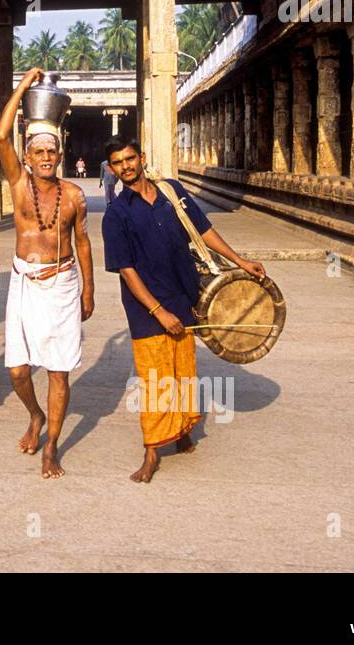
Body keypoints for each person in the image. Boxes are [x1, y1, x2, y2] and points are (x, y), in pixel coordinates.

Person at [100, 137, 265, 483]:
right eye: (118, 162)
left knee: (183, 370)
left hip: (183, 294)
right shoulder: (116, 214)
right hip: (146, 307)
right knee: (156, 378)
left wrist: (240, 261)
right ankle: (151, 451)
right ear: (111, 169)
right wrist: (159, 311)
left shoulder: (171, 192)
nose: (126, 166)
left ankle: (184, 428)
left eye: (130, 158)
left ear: (141, 158)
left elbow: (204, 231)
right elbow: (126, 270)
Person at [0, 68, 94, 478]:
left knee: (58, 369)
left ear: (59, 155)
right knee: (17, 370)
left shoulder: (73, 195)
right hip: (24, 284)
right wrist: (21, 85)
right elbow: (2, 136)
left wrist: (89, 291)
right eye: (39, 153)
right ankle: (35, 415)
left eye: (52, 152)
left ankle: (52, 444)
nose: (47, 158)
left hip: (62, 283)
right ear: (29, 157)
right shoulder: (19, 185)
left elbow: (84, 243)